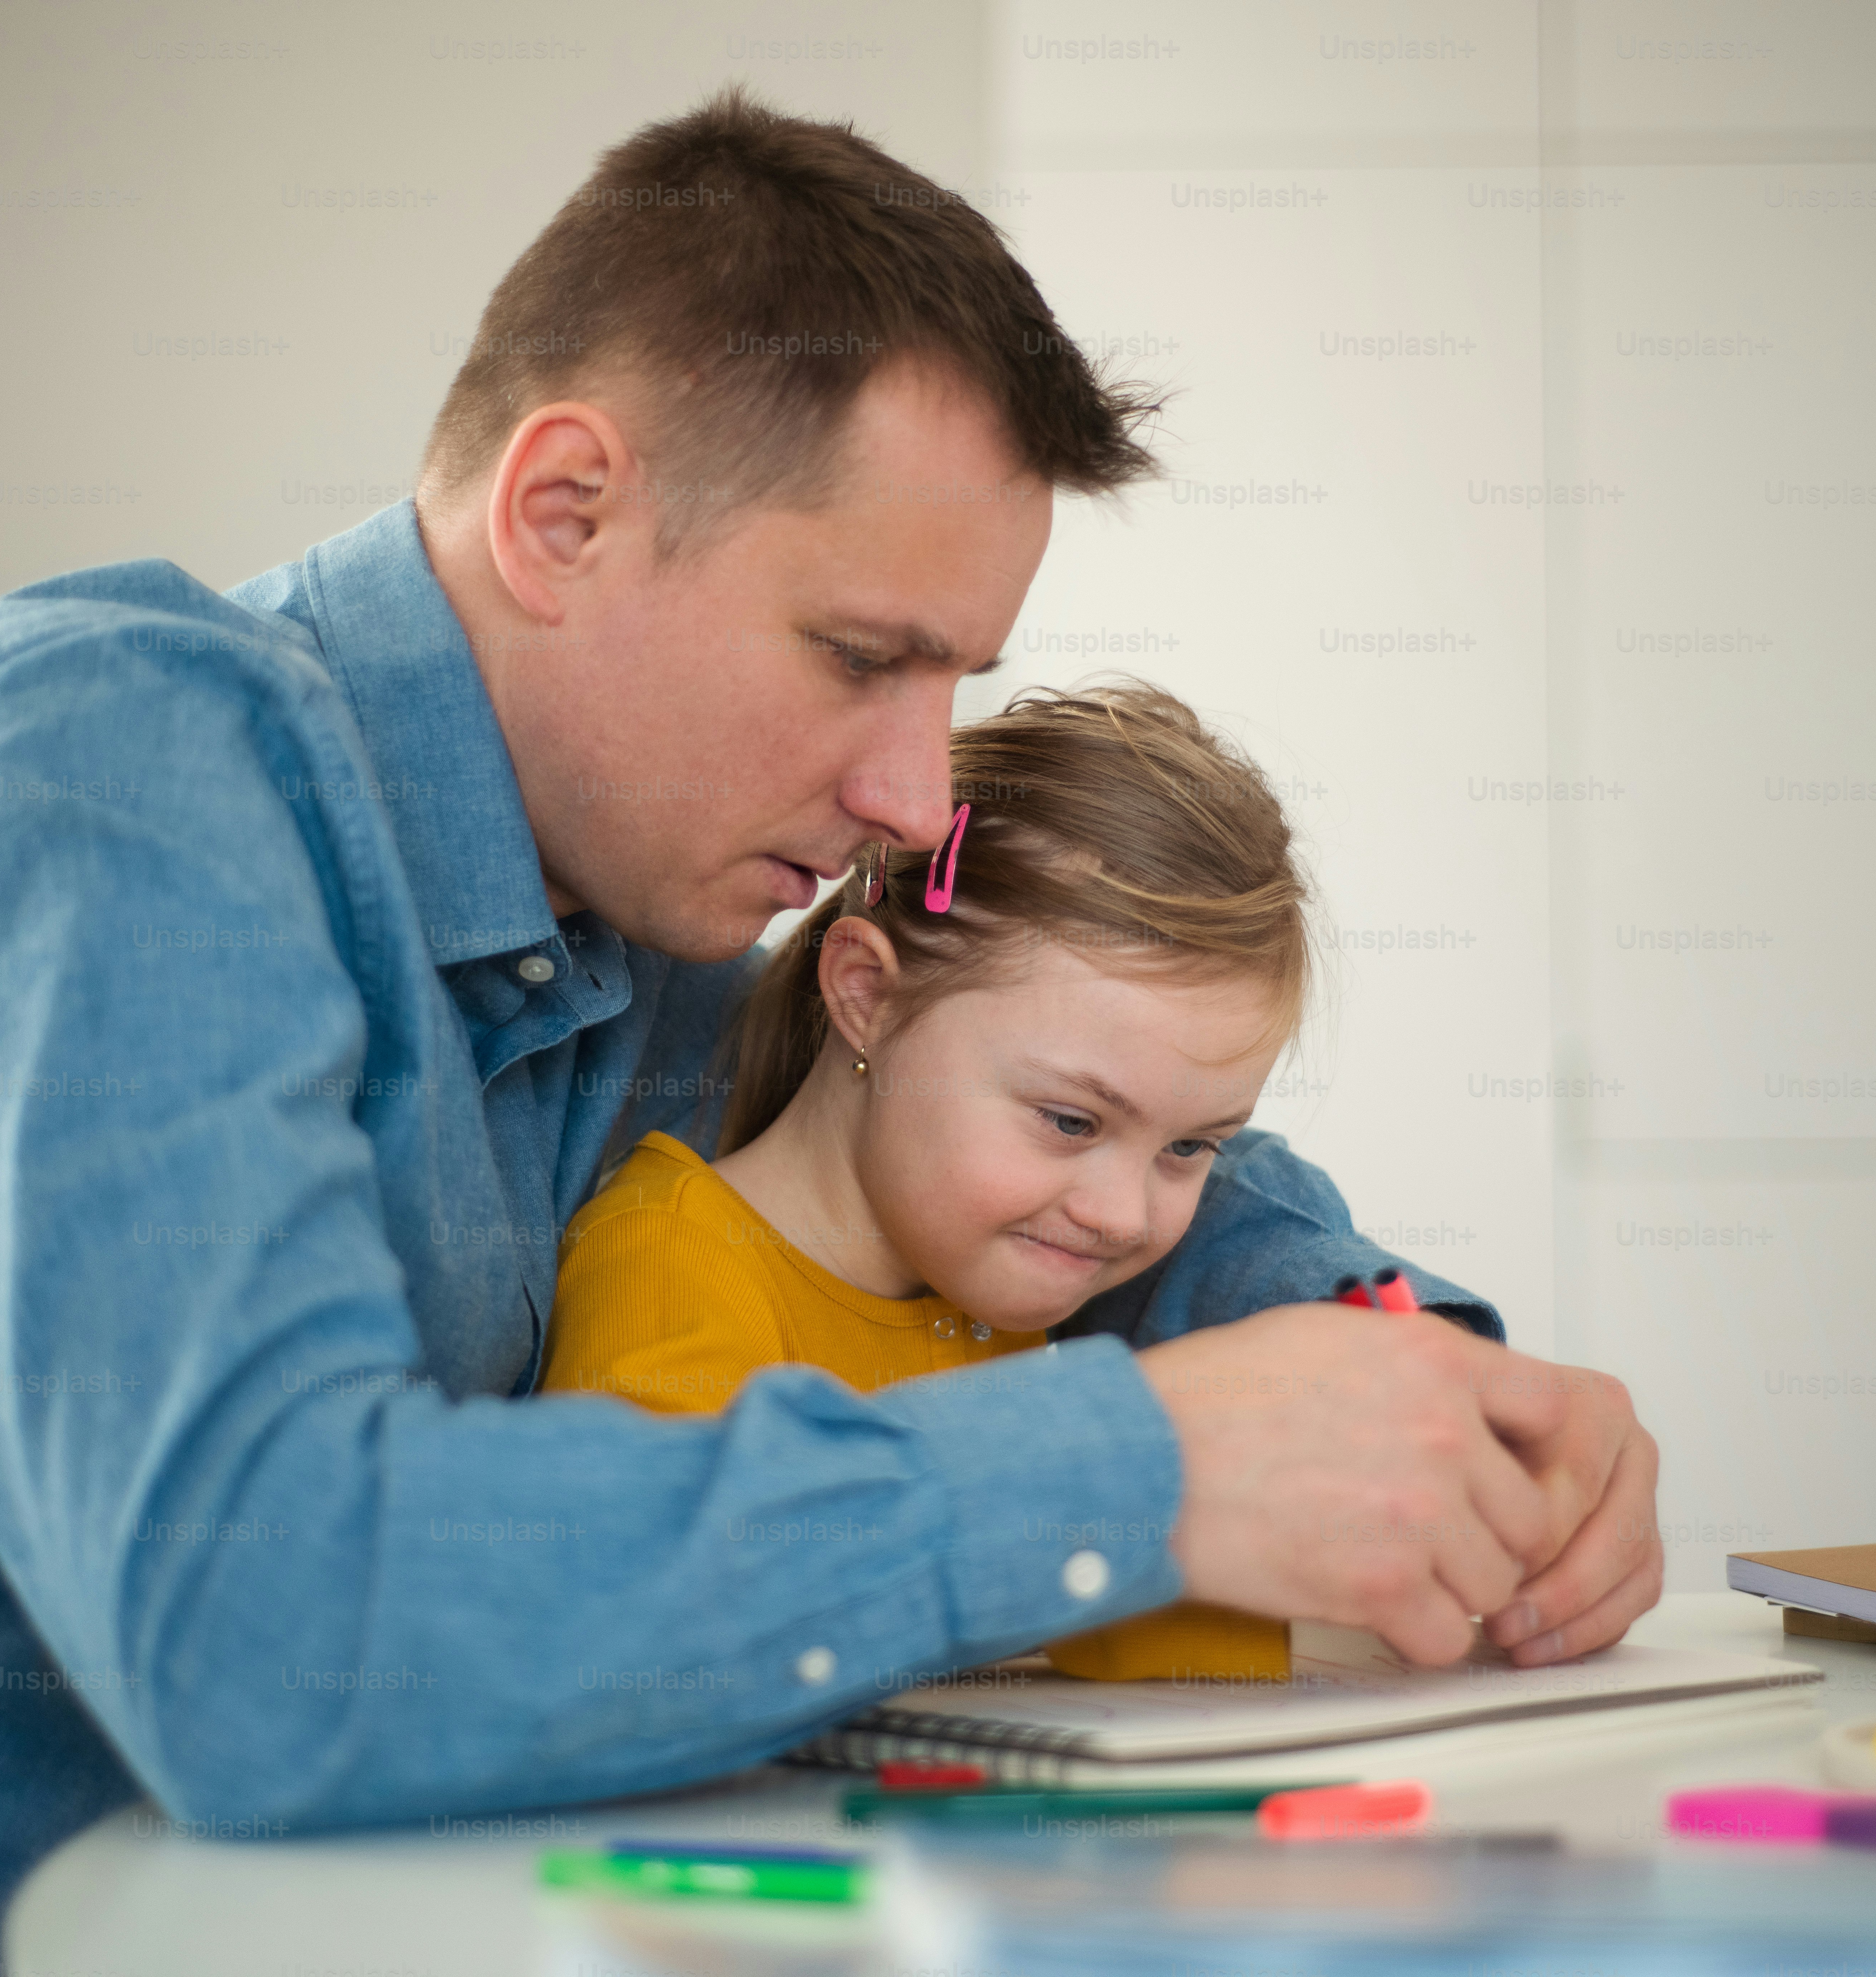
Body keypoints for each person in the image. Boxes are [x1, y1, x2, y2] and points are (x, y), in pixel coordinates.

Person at [0, 90, 1658, 1972]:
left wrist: (1408, 1364)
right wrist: (1158, 1465)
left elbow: (1041, 1112)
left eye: (953, 683)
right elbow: (272, 1633)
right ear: (564, 511)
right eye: (859, 656)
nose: (919, 794)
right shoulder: (98, 774)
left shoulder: (653, 909)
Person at [547, 677, 1459, 1683]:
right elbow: (661, 1635)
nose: (1121, 1215)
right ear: (866, 996)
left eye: (1191, 1148)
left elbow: (1174, 1671)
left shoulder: (982, 1288)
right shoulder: (669, 1256)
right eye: (1070, 1121)